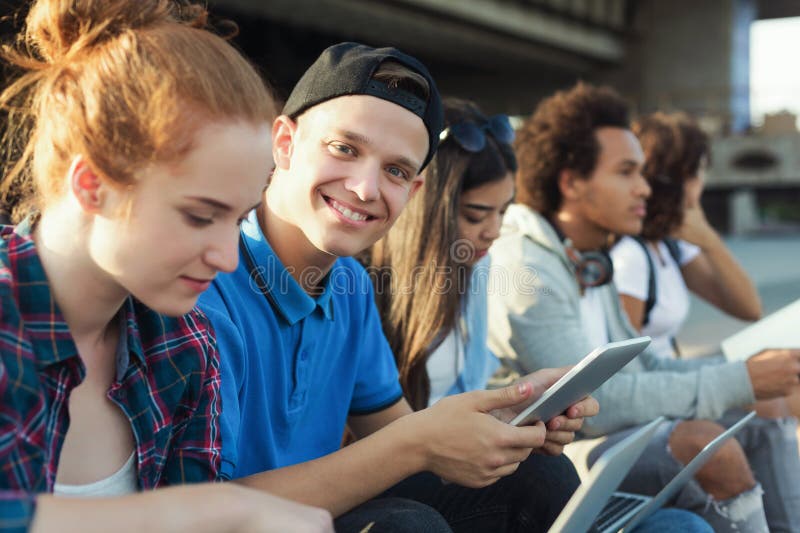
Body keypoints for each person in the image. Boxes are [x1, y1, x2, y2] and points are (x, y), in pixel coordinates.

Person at [198, 44, 598, 533]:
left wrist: (507, 415)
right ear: (284, 143)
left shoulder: (350, 283)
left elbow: (393, 431)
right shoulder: (201, 278)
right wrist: (417, 443)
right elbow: (192, 511)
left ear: (415, 191)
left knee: (538, 475)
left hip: (311, 517)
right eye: (344, 148)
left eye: (396, 171)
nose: (366, 188)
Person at [0, 1, 332, 532]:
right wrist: (209, 511)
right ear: (92, 185)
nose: (227, 258)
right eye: (200, 216)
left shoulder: (185, 343)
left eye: (239, 219)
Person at [367, 97, 712, 532]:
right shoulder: (368, 286)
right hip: (414, 480)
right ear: (422, 204)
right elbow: (395, 439)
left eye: (503, 212)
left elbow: (461, 401)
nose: (494, 232)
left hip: (457, 465)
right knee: (546, 477)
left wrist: (518, 411)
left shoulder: (479, 270)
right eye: (476, 214)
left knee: (681, 524)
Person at [486, 82, 800, 532]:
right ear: (571, 182)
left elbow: (645, 364)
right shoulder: (526, 265)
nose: (645, 189)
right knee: (705, 443)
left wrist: (749, 374)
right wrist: (739, 379)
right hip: (548, 458)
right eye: (627, 172)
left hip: (602, 436)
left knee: (766, 406)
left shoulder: (589, 255)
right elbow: (599, 401)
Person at [610, 112, 761, 358]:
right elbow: (624, 368)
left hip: (674, 374)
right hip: (661, 380)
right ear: (682, 180)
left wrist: (710, 242)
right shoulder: (631, 256)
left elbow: (749, 309)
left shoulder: (669, 245)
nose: (702, 182)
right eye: (699, 172)